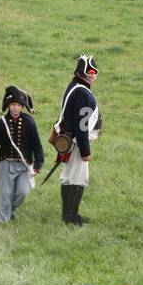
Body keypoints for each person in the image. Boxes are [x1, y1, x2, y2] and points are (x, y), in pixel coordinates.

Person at [0, 86, 43, 223]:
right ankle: (2, 221)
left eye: (18, 105)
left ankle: (10, 210)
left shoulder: (30, 123)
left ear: (22, 106)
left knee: (22, 192)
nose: (15, 108)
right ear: (8, 106)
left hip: (24, 165)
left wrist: (37, 165)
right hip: (6, 163)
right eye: (12, 105)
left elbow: (37, 146)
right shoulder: (0, 124)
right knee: (5, 194)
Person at [54, 55, 100, 225]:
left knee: (69, 177)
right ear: (87, 74)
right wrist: (85, 150)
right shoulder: (82, 92)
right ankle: (71, 218)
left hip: (70, 139)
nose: (95, 76)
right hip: (76, 142)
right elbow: (82, 125)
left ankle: (69, 216)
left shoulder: (75, 86)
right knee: (77, 178)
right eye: (93, 73)